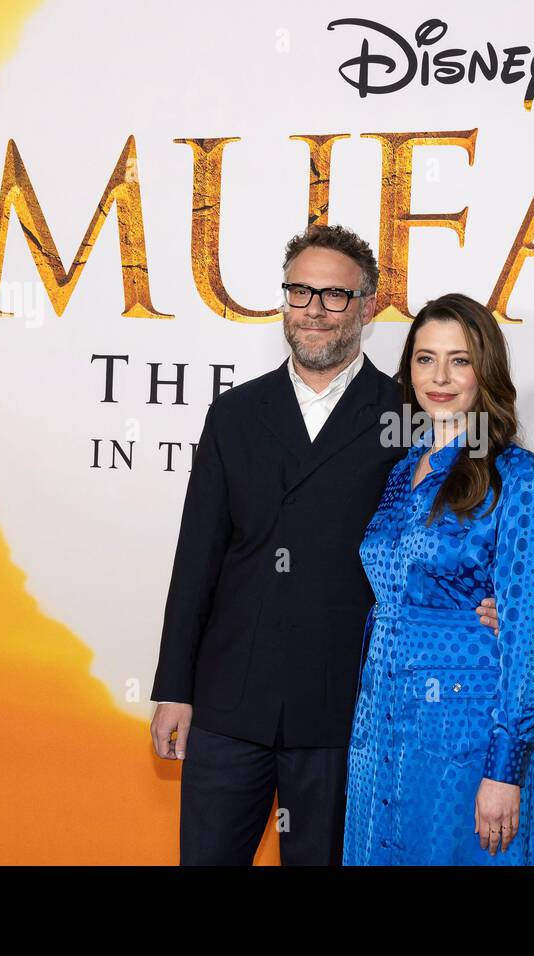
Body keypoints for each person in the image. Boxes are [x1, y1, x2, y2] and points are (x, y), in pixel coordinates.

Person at [149, 225, 499, 865]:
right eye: (299, 291)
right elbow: (195, 560)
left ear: (367, 307)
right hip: (229, 706)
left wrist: (498, 603)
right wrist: (175, 686)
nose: (314, 308)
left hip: (346, 710)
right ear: (284, 300)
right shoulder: (234, 414)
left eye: (335, 296)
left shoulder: (410, 415)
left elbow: (472, 518)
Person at [342, 293, 534, 865]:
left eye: (459, 360)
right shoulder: (398, 471)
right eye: (424, 359)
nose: (439, 377)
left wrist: (505, 769)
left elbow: (530, 633)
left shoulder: (516, 477)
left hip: (466, 732)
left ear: (484, 370)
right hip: (383, 718)